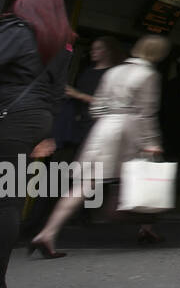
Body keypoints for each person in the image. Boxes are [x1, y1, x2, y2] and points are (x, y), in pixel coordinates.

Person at [31, 34, 171, 256]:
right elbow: (147, 113)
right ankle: (146, 228)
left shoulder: (114, 72)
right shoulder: (148, 75)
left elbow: (97, 108)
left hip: (103, 130)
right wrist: (152, 142)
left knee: (84, 185)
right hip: (130, 131)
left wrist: (108, 120)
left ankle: (47, 233)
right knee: (144, 177)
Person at [0, 0, 75, 288]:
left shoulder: (16, 31)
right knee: (9, 199)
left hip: (9, 114)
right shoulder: (63, 43)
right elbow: (57, 92)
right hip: (34, 118)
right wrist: (44, 133)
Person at [21, 35, 124, 239]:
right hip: (74, 131)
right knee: (61, 177)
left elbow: (112, 106)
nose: (93, 53)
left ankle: (54, 221)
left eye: (98, 49)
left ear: (109, 51)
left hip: (95, 132)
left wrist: (78, 95)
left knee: (78, 179)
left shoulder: (113, 75)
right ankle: (40, 222)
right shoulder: (87, 73)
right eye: (93, 49)